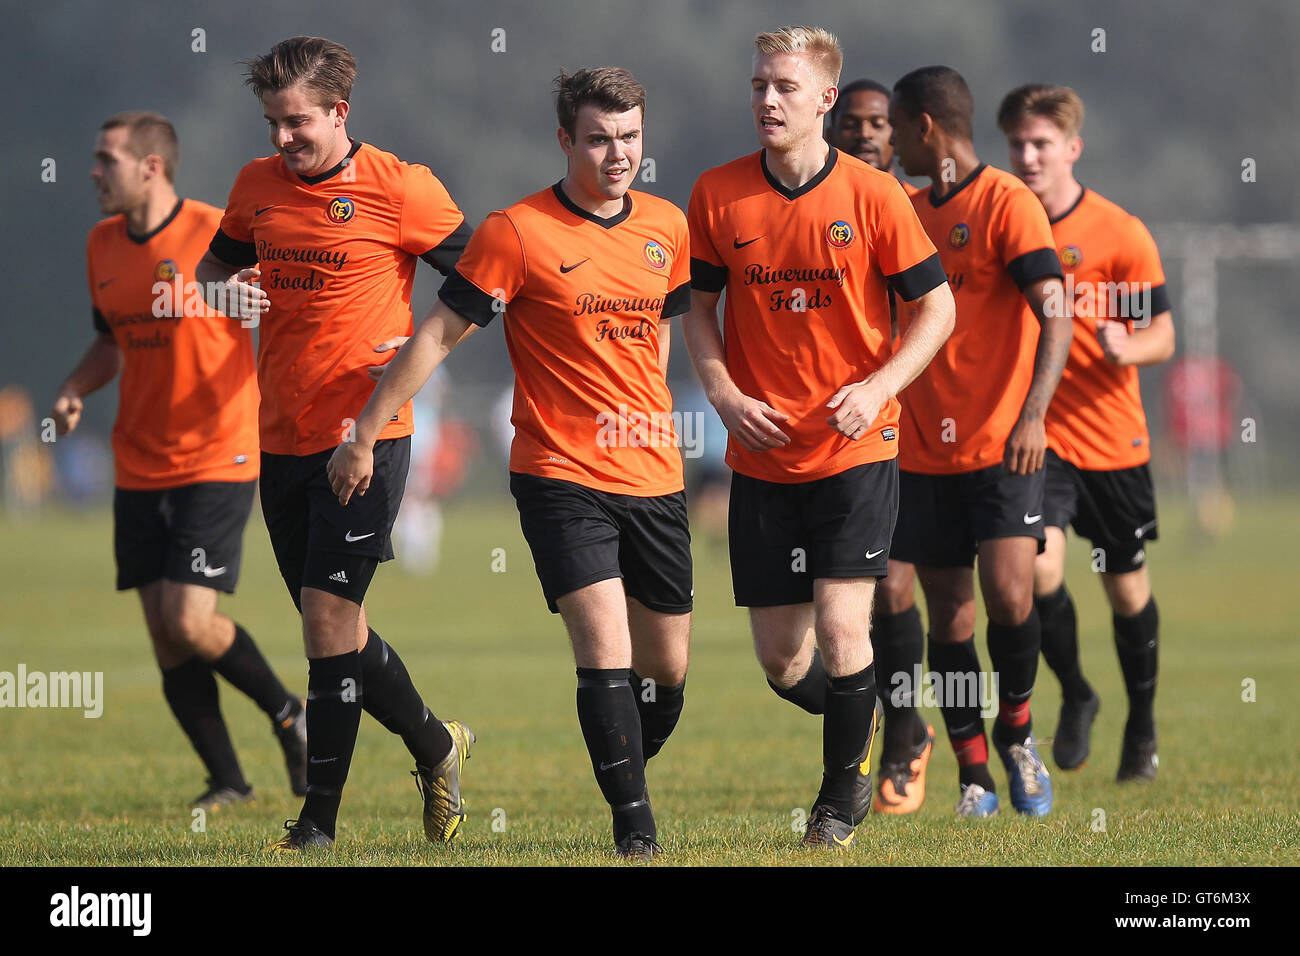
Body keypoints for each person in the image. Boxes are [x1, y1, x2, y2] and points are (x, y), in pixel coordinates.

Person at [327, 67, 693, 859]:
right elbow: (436, 335)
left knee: (664, 676)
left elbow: (659, 331)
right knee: (604, 649)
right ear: (566, 140)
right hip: (558, 474)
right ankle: (636, 831)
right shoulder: (516, 232)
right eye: (598, 138)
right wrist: (366, 427)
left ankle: (629, 746)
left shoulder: (669, 224)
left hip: (656, 476)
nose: (616, 152)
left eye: (629, 137)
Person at [194, 36, 475, 851]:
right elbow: (211, 273)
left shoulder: (401, 188)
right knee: (337, 632)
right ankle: (435, 744)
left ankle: (316, 823)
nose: (282, 139)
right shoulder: (255, 188)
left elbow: (477, 281)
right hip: (279, 438)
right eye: (273, 124)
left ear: (339, 113)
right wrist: (226, 287)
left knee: (326, 622)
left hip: (364, 439)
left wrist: (411, 358)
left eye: (297, 123)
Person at [684, 27, 954, 848]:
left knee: (844, 631)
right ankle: (867, 713)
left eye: (786, 88)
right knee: (781, 660)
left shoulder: (875, 197)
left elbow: (937, 310)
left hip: (857, 452)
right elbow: (695, 311)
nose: (767, 100)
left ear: (826, 101)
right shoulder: (717, 194)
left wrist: (876, 388)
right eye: (760, 84)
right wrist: (724, 393)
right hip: (762, 458)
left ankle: (836, 806)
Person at [51, 111, 306, 810]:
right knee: (164, 634)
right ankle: (227, 778)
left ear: (151, 167)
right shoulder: (101, 245)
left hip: (218, 452)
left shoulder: (214, 232)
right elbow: (111, 341)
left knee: (190, 619)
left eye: (107, 160)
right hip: (137, 462)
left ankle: (290, 713)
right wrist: (74, 388)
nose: (95, 173)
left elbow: (262, 305)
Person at [888, 66, 1073, 817]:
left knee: (1009, 593)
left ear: (927, 128)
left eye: (898, 129)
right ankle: (973, 775)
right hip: (925, 451)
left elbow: (1056, 315)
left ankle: (1019, 737)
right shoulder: (906, 210)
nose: (893, 144)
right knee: (951, 618)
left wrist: (1034, 413)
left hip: (1004, 444)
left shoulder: (1006, 202)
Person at [998, 84, 1174, 781]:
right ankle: (1075, 692)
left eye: (1041, 144)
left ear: (1072, 148)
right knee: (1038, 569)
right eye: (1017, 144)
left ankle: (1143, 724)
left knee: (1126, 589)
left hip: (1115, 441)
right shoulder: (1007, 224)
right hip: (1041, 439)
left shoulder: (1118, 232)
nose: (1028, 156)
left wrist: (1127, 349)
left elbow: (1161, 331)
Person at [826, 79, 934, 814]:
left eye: (878, 124)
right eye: (852, 123)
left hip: (933, 427)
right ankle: (898, 724)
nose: (865, 134)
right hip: (857, 430)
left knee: (911, 589)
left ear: (899, 137)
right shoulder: (825, 208)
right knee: (870, 594)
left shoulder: (917, 212)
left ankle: (905, 731)